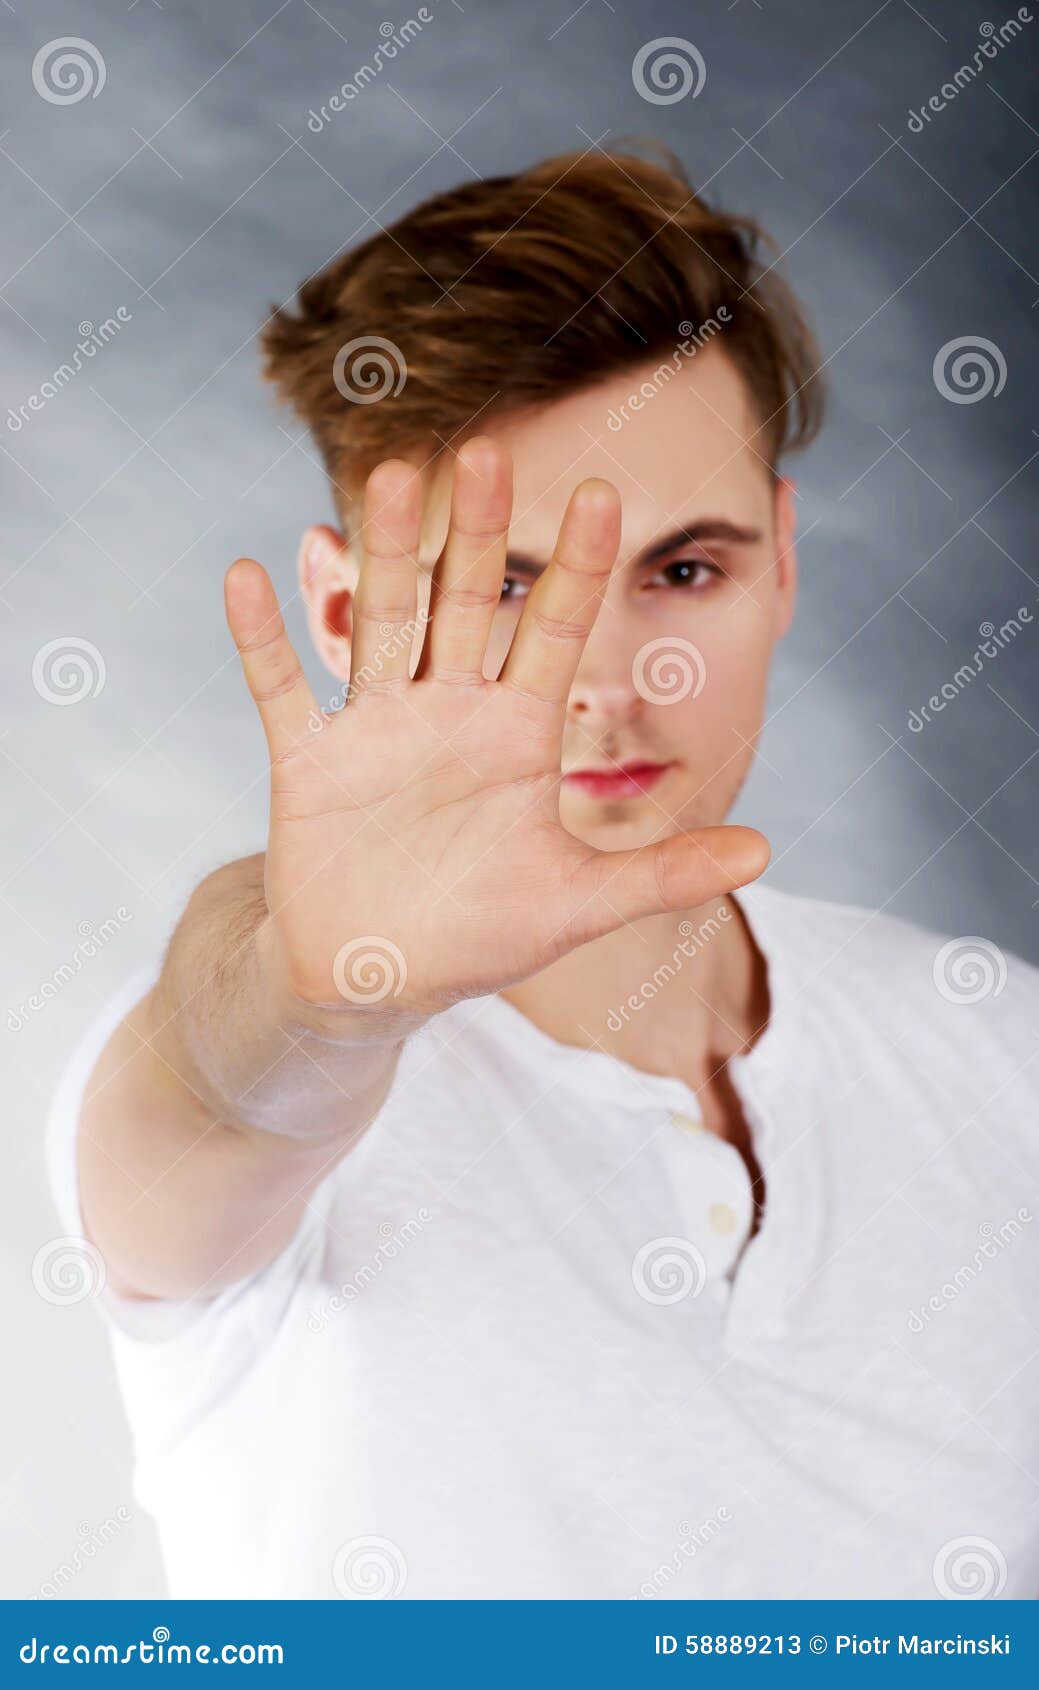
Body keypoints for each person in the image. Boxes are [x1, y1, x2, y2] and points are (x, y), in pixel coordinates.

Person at [46, 148, 1039, 1601]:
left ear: (785, 566)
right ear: (342, 607)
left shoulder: (997, 1049)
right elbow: (208, 1102)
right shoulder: (275, 1092)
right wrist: (320, 1003)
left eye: (687, 571)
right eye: (507, 587)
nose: (615, 683)